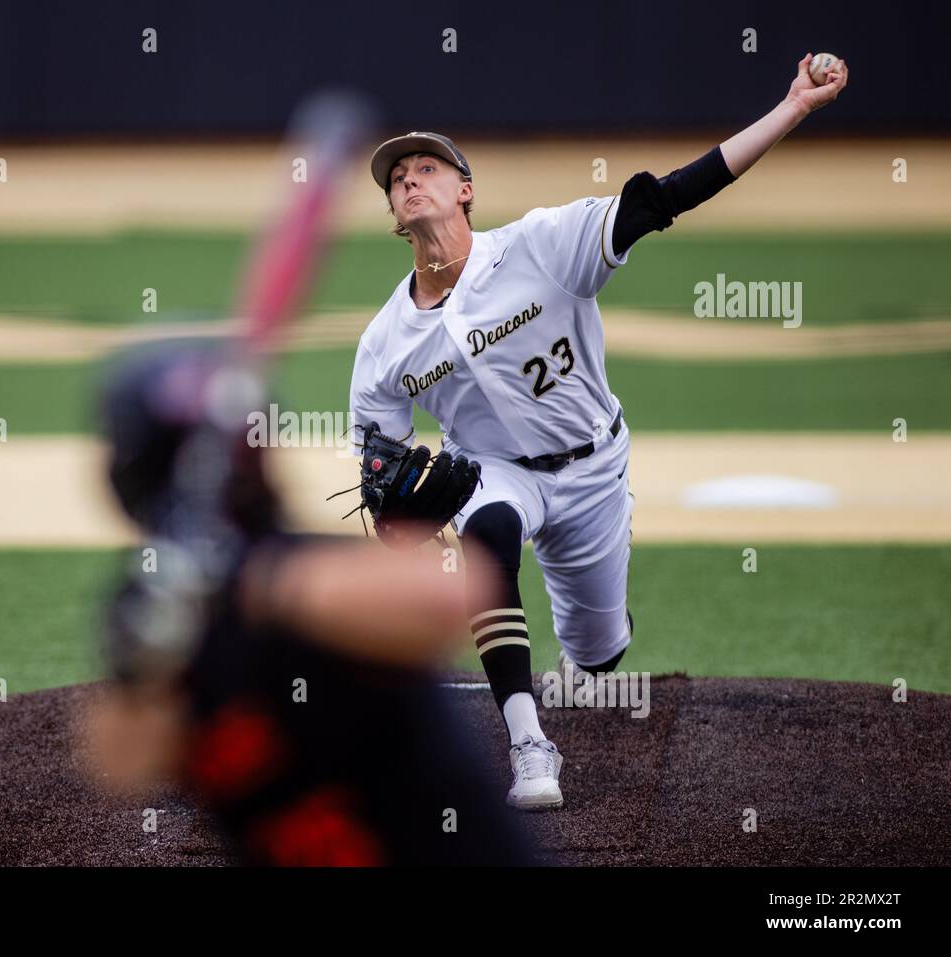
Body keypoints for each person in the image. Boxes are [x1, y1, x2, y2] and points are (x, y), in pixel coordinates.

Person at [348, 54, 849, 810]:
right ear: (393, 211)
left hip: (593, 473)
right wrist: (407, 519)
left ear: (465, 190)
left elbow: (670, 195)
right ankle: (529, 744)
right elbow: (384, 501)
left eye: (427, 167)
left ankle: (598, 632)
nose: (409, 180)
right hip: (494, 471)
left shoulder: (543, 245)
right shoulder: (384, 344)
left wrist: (793, 109)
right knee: (484, 534)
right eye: (396, 177)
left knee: (598, 656)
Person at [83, 344, 533, 865]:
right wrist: (137, 667)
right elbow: (121, 764)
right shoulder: (164, 613)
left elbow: (453, 596)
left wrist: (251, 580)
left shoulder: (311, 575)